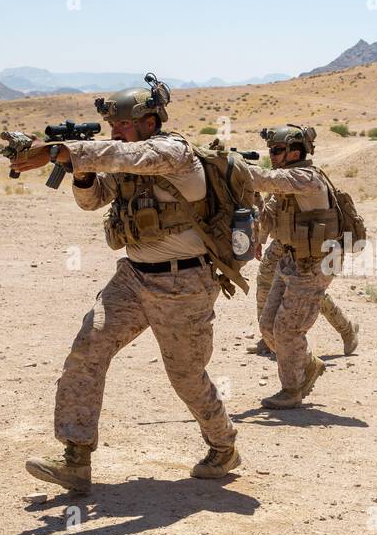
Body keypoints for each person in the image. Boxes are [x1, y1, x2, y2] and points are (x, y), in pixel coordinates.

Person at [17, 82, 241, 492]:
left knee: (186, 376)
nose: (115, 131)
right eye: (112, 124)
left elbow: (126, 155)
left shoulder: (174, 152)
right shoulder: (126, 160)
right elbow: (92, 201)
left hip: (184, 282)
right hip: (133, 277)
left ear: (149, 122)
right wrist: (79, 171)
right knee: (89, 348)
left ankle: (224, 444)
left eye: (122, 124)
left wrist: (65, 151)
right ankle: (75, 459)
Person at [244, 125, 344, 409]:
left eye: (276, 151)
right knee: (268, 326)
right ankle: (307, 365)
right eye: (271, 151)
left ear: (295, 152)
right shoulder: (284, 187)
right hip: (292, 258)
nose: (272, 156)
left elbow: (265, 178)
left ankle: (292, 390)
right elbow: (269, 218)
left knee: (287, 330)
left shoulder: (306, 178)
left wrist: (236, 169)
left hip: (316, 262)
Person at [250, 199, 358, 357]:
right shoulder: (281, 180)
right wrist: (260, 237)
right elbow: (272, 203)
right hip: (283, 238)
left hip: (304, 240)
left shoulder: (305, 178)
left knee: (307, 292)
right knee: (265, 279)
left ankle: (347, 328)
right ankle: (269, 338)